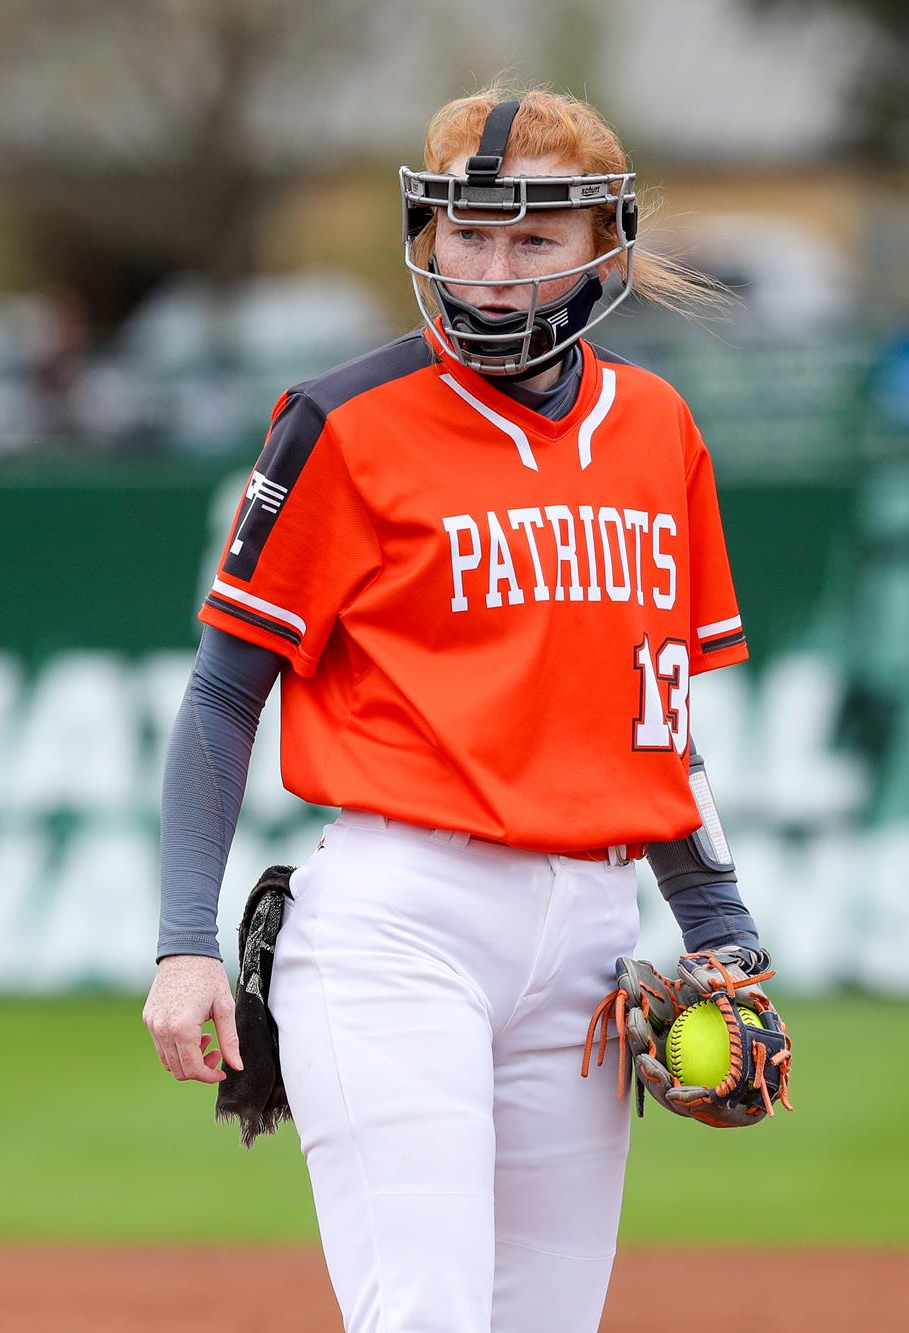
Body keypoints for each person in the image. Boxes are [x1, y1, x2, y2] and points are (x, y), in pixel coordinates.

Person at [143, 87, 771, 1332]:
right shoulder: (341, 420)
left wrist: (717, 920)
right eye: (466, 231)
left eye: (534, 237)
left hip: (590, 932)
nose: (492, 269)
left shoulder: (655, 429)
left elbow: (651, 717)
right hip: (399, 918)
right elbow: (223, 691)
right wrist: (183, 940)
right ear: (424, 236)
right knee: (423, 1313)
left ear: (605, 240)